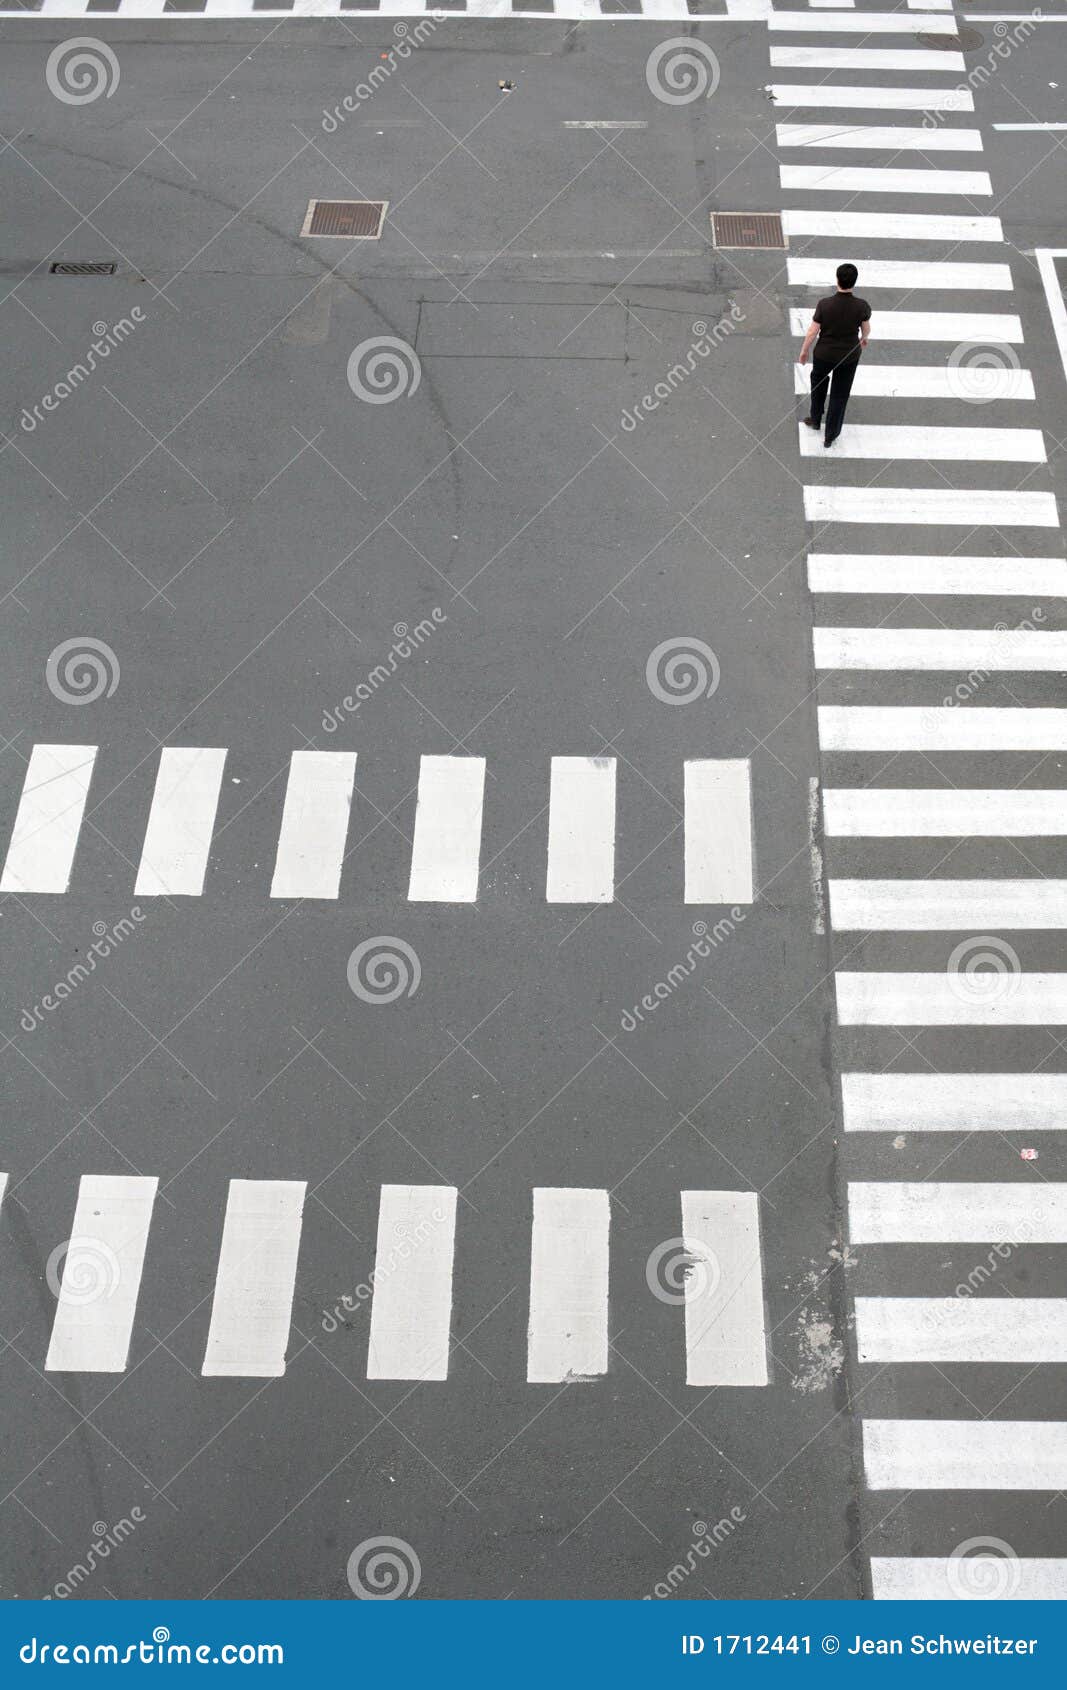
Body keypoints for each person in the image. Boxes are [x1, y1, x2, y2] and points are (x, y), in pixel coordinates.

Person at [797, 262, 871, 447]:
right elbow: (866, 329)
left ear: (837, 279)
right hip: (849, 357)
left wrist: (804, 351)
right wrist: (864, 339)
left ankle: (815, 419)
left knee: (818, 385)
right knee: (839, 395)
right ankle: (830, 436)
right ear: (854, 282)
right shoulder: (861, 306)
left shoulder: (825, 305)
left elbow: (812, 332)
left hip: (824, 354)